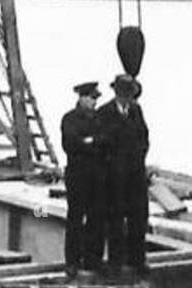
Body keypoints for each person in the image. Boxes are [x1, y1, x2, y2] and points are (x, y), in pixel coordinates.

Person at [98, 73, 150, 277]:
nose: (127, 99)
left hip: (135, 175)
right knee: (115, 219)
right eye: (124, 94)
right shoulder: (105, 113)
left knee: (138, 218)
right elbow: (101, 143)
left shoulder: (136, 111)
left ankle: (137, 260)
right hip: (114, 177)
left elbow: (144, 138)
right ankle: (115, 263)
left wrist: (139, 158)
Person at [60, 81, 106, 277]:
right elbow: (71, 144)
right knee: (76, 219)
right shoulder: (69, 119)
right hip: (78, 176)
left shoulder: (99, 119)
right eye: (92, 98)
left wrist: (88, 142)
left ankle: (93, 260)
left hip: (97, 176)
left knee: (96, 218)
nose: (95, 102)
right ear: (82, 98)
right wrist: (92, 142)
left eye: (96, 98)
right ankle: (72, 262)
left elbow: (105, 141)